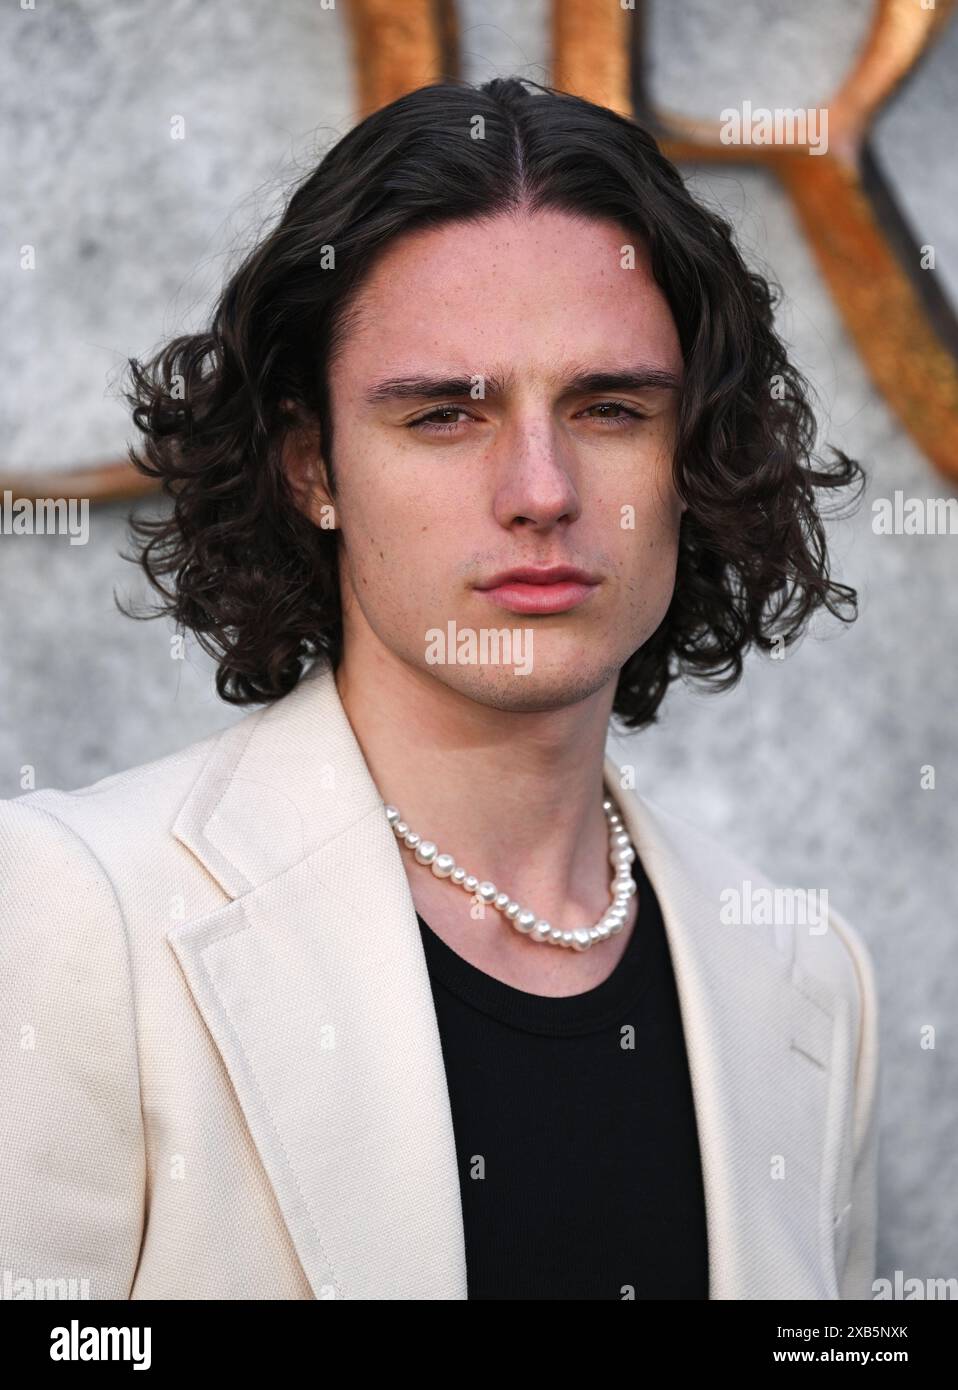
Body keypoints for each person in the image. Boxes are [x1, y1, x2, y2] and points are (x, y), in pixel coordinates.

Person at [0, 75, 878, 1301]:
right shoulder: (73, 913)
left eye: (610, 407)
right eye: (445, 415)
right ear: (313, 463)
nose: (540, 487)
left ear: (691, 457)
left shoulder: (804, 976)